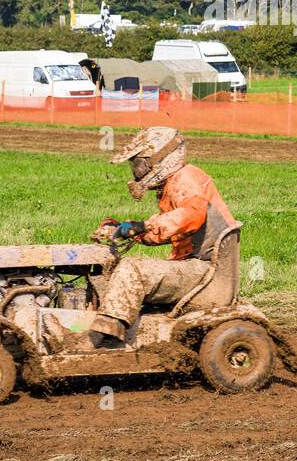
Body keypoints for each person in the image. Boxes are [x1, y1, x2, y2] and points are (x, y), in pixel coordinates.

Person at [84, 127, 236, 345]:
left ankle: (103, 337)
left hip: (206, 270)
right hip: (199, 266)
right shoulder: (175, 183)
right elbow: (167, 230)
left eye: (139, 164)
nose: (136, 171)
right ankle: (107, 322)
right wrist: (130, 231)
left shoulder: (184, 179)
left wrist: (143, 225)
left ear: (161, 158)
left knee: (133, 269)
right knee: (118, 267)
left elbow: (192, 215)